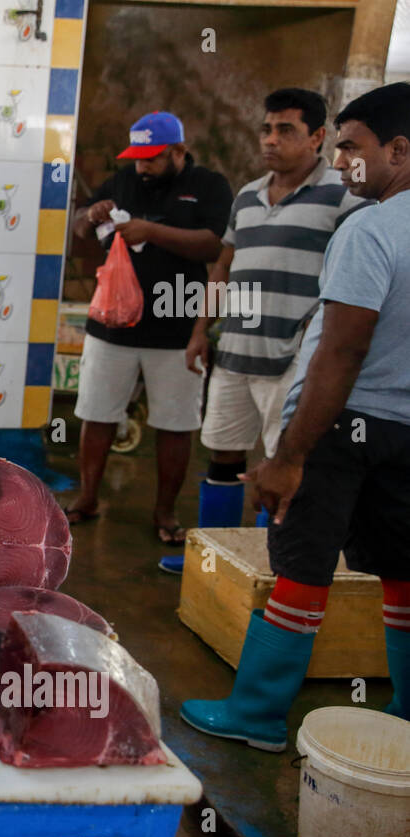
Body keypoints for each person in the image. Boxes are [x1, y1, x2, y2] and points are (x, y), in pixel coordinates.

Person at [182, 83, 410, 749]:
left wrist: (288, 456)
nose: (342, 162)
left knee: (302, 568)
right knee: (403, 571)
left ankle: (255, 714)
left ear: (398, 151)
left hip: (342, 425)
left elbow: (343, 348)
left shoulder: (369, 229)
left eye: (352, 147)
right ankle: (404, 721)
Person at [160, 90, 372, 575]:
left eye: (286, 131)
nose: (271, 140)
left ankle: (263, 565)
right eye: (266, 129)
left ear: (318, 137)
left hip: (295, 357)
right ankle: (210, 561)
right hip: (235, 349)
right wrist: (200, 332)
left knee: (279, 461)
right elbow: (223, 268)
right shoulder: (247, 195)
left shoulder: (341, 197)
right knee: (223, 452)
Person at [67, 111, 233, 544]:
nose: (143, 167)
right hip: (112, 324)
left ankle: (165, 513)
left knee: (175, 422)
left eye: (153, 159)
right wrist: (91, 213)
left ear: (179, 151)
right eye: (138, 159)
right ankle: (87, 498)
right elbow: (82, 229)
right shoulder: (123, 181)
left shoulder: (210, 186)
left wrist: (151, 231)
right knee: (96, 412)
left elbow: (215, 244)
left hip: (178, 323)